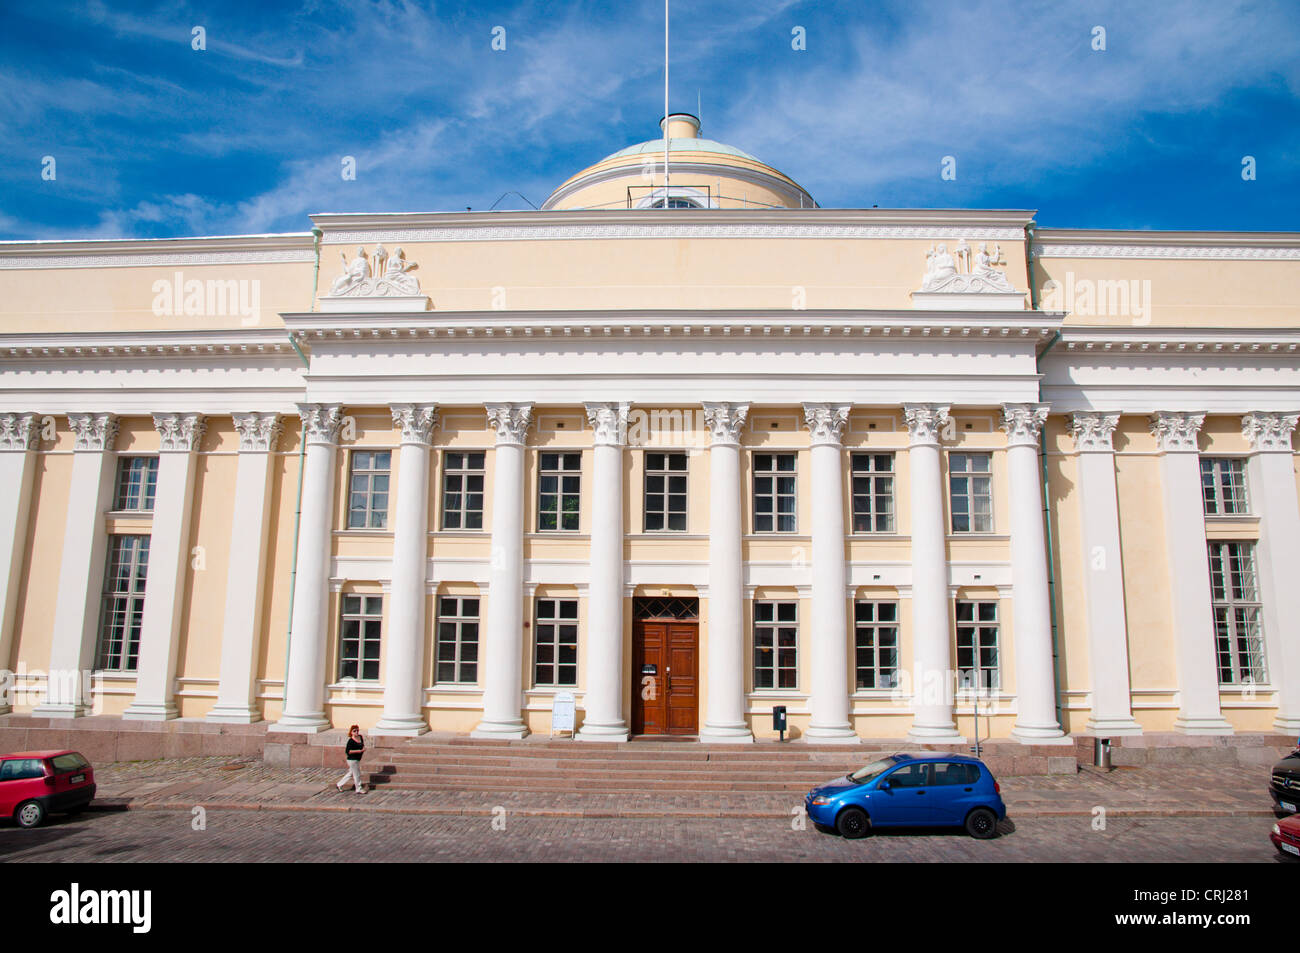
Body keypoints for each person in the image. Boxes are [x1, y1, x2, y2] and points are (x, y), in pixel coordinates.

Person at [336, 725, 366, 794]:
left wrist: (363, 748)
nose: (356, 732)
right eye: (354, 731)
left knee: (351, 773)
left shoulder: (360, 737)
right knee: (357, 774)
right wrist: (359, 751)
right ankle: (358, 788)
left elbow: (362, 744)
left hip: (357, 759)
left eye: (357, 730)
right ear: (351, 732)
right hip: (352, 760)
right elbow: (348, 751)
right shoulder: (351, 741)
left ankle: (339, 784)